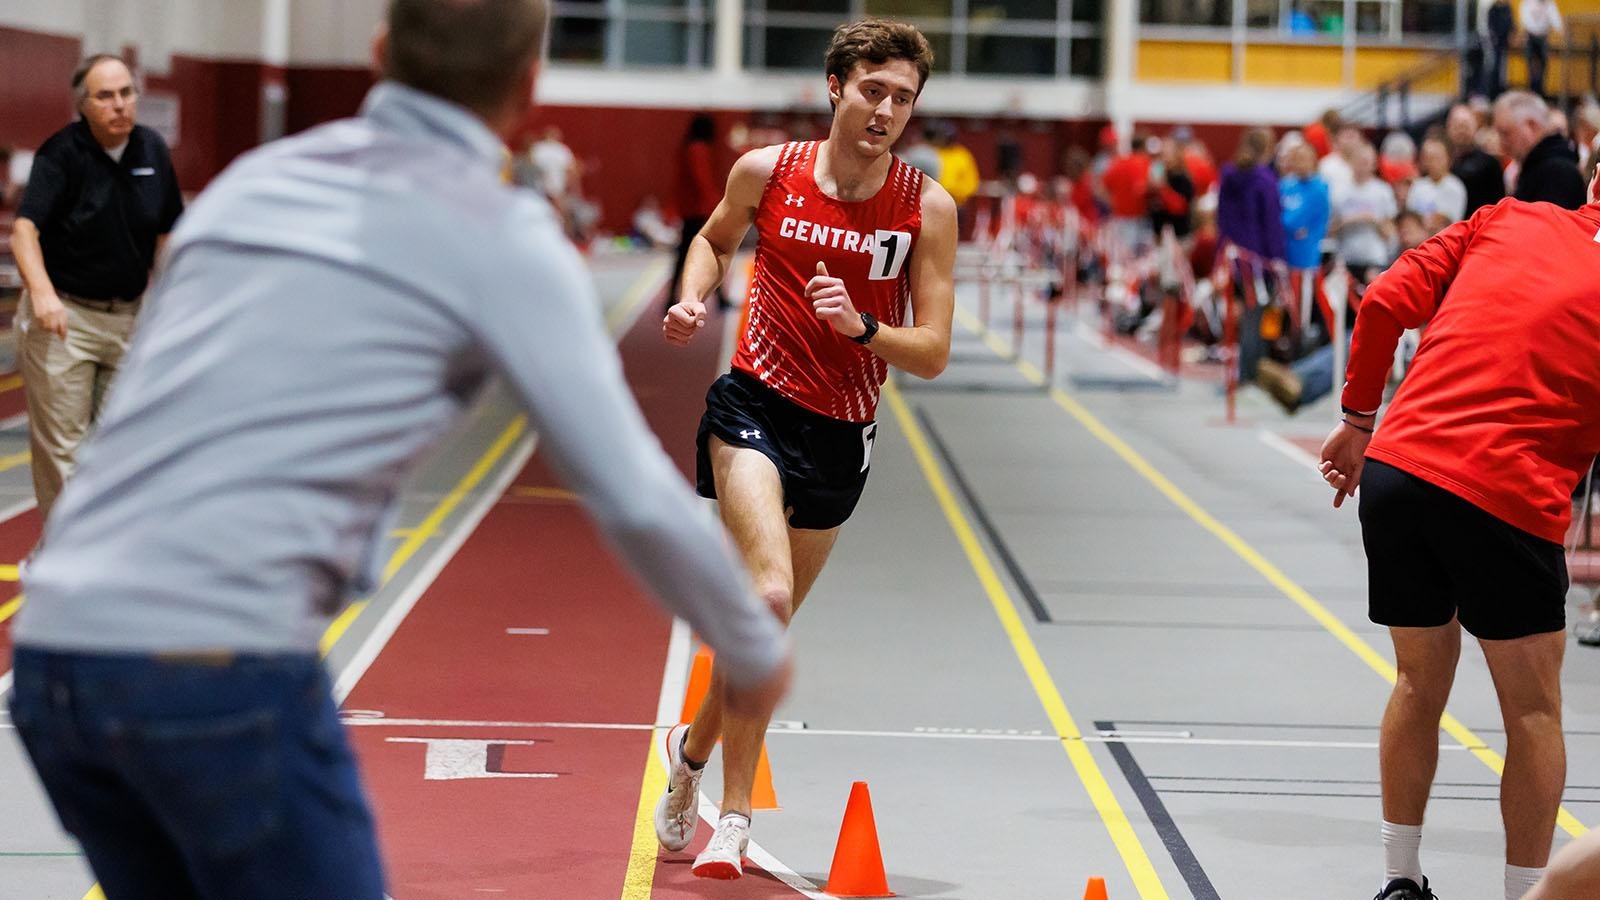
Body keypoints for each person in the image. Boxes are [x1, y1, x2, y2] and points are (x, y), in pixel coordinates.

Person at [7, 2, 794, 898]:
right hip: (213, 660)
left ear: (380, 55)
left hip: (55, 652)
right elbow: (630, 493)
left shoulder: (256, 183)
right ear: (529, 86)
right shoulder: (500, 234)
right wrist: (753, 648)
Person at [656, 17, 956, 880]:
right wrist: (692, 299)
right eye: (874, 91)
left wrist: (864, 328)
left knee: (763, 630)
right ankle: (736, 820)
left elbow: (931, 352)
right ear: (836, 87)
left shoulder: (926, 208)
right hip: (752, 404)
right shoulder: (768, 172)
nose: (887, 110)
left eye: (903, 98)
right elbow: (713, 241)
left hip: (841, 435)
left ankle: (690, 754)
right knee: (769, 600)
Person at [1318, 173, 1600, 900]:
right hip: (1506, 495)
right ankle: (1528, 895)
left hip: (1399, 473)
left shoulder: (1505, 217)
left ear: (1595, 179)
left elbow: (1381, 301)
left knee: (1417, 681)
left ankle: (1400, 881)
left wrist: (1355, 421)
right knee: (1533, 712)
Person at [10, 54, 183, 524]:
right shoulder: (61, 155)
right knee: (66, 453)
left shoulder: (152, 151)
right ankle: (69, 566)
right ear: (82, 105)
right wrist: (42, 294)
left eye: (127, 93)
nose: (120, 105)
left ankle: (101, 556)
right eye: (105, 96)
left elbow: (169, 232)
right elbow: (25, 230)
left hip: (126, 319)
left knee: (117, 448)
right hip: (66, 320)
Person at [671, 114, 728, 312]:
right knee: (712, 252)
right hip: (698, 211)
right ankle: (719, 298)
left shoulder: (689, 147)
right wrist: (717, 205)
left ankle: (672, 297)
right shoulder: (698, 150)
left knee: (684, 256)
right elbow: (703, 181)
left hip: (691, 209)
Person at [1495, 91, 1586, 208]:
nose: (1502, 143)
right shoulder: (1534, 166)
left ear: (1531, 126)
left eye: (1506, 133)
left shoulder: (1557, 172)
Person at [1447, 103, 1506, 215]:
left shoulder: (1490, 163)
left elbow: (1498, 204)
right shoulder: (1442, 162)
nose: (1461, 131)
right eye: (1457, 126)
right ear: (1449, 128)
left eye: (1465, 126)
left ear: (1475, 128)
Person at [1406, 136, 1468, 232]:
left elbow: (1450, 221)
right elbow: (1410, 219)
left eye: (1437, 158)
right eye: (1429, 158)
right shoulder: (1418, 186)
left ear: (1449, 159)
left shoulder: (1455, 187)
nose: (1433, 162)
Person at [1519, 0, 1563, 97]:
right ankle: (1531, 89)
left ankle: (1540, 91)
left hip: (1543, 37)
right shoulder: (1528, 2)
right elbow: (1524, 19)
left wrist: (1560, 30)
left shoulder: (1549, 4)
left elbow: (1556, 20)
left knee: (1543, 64)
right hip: (1530, 37)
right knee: (1530, 64)